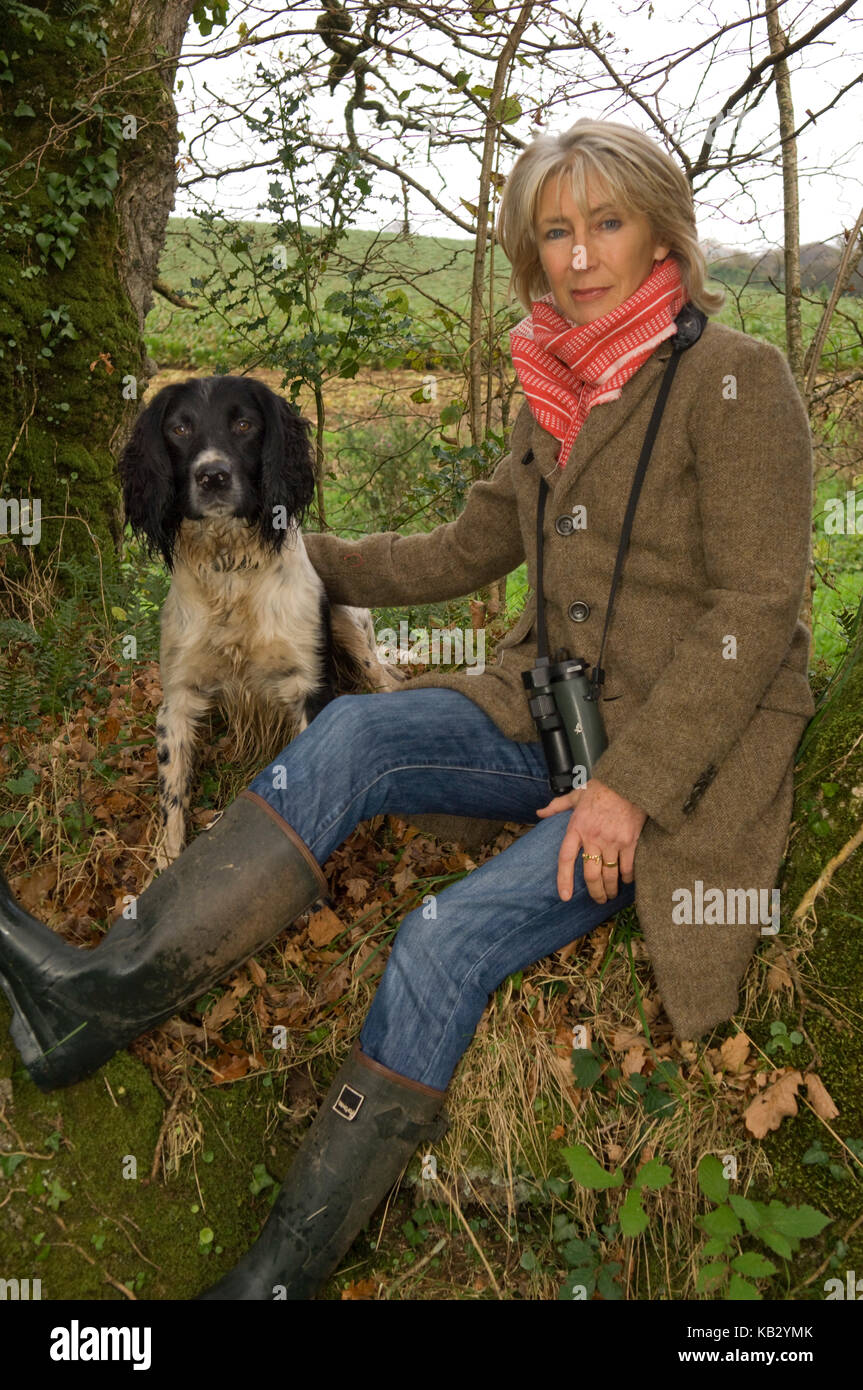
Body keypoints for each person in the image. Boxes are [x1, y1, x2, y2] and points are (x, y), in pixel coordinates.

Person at [0, 118, 815, 1300]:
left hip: (678, 765)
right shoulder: (557, 389)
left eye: (604, 223)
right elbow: (466, 545)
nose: (579, 255)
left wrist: (628, 786)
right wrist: (288, 544)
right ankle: (98, 997)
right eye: (554, 232)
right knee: (356, 729)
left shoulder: (737, 378)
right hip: (546, 715)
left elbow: (757, 607)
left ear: (657, 233)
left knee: (440, 941)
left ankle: (279, 1278)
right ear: (529, 254)